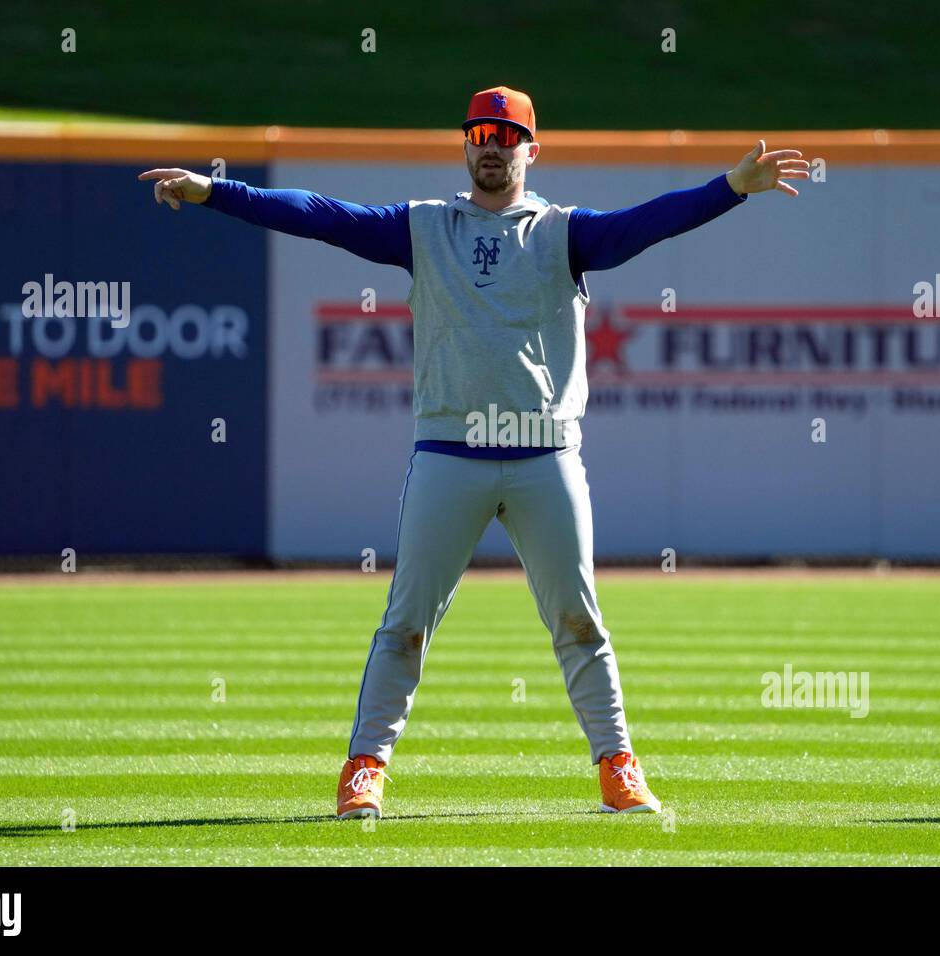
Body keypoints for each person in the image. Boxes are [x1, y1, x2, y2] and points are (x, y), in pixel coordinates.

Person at [139, 85, 808, 820]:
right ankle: (364, 767)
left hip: (543, 452)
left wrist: (731, 189)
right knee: (406, 623)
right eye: (480, 133)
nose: (492, 145)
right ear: (466, 145)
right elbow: (322, 217)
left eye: (507, 134)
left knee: (579, 623)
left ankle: (618, 766)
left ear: (531, 148)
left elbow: (642, 226)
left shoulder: (562, 232)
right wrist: (216, 192)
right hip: (449, 453)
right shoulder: (426, 227)